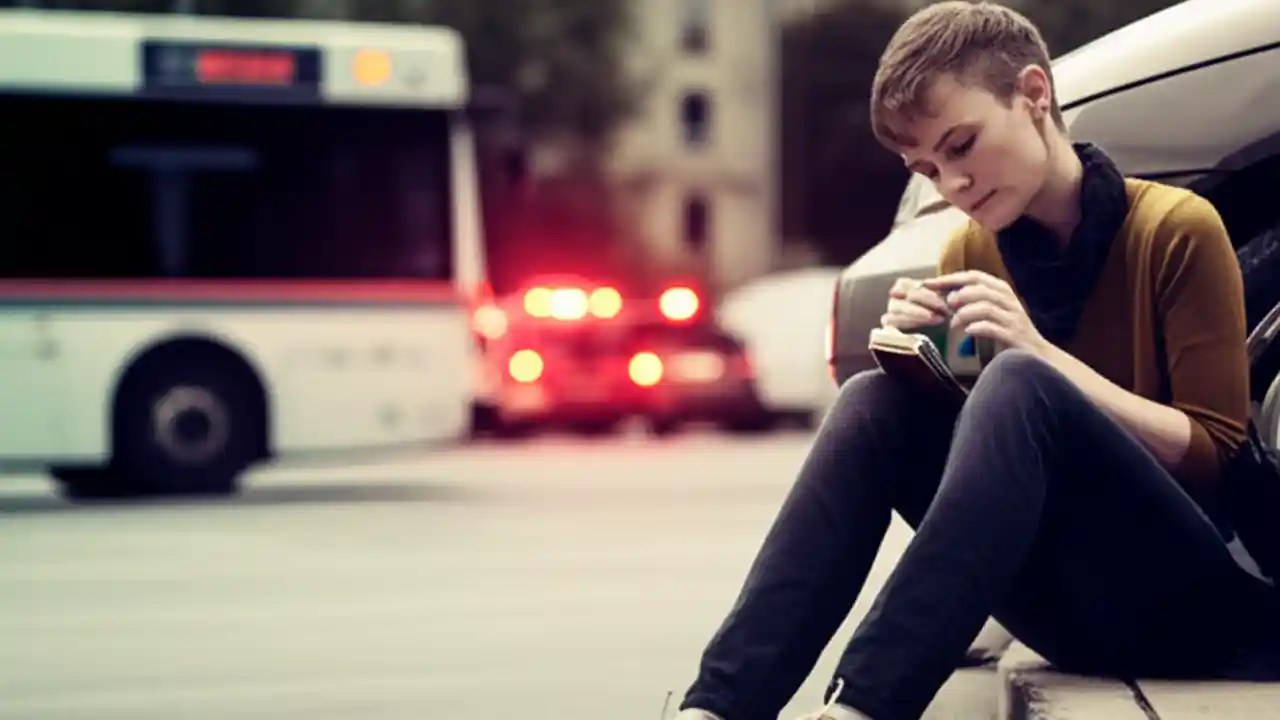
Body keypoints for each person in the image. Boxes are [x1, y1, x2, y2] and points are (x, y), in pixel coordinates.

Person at [671, 2, 1279, 719]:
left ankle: (862, 706)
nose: (950, 184)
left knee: (1021, 378)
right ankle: (717, 707)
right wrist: (918, 364)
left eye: (961, 146)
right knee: (874, 400)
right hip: (1062, 607)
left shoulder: (1176, 229)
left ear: (1033, 95)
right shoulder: (969, 252)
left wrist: (1040, 356)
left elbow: (1213, 453)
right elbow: (986, 456)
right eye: (926, 167)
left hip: (1191, 604)